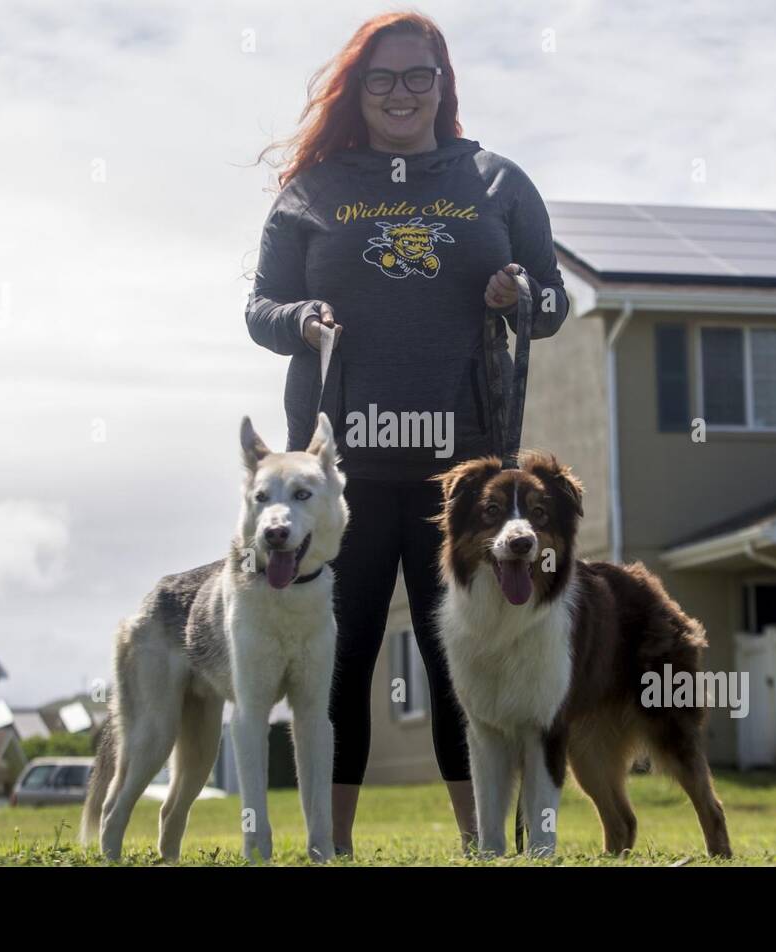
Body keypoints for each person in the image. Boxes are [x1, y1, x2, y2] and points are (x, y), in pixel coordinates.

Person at [245, 11, 569, 856]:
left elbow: (553, 302)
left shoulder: (495, 181)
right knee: (341, 657)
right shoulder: (314, 188)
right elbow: (259, 311)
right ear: (358, 88)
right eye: (381, 78)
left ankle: (478, 841)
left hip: (462, 475)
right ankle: (333, 844)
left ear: (443, 84)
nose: (401, 93)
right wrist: (302, 316)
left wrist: (517, 294)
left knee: (460, 659)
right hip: (338, 470)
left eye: (418, 76)